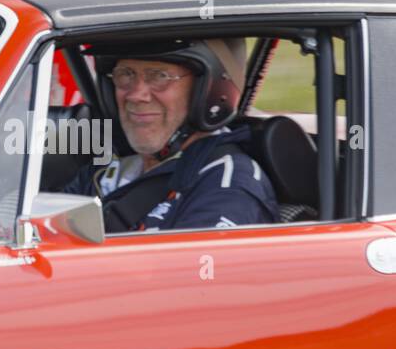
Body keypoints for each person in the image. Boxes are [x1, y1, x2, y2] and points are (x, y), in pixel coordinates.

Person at [63, 37, 279, 231]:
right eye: (125, 74)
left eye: (159, 76)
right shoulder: (103, 173)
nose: (136, 95)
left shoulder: (228, 186)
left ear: (207, 90)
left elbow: (187, 274)